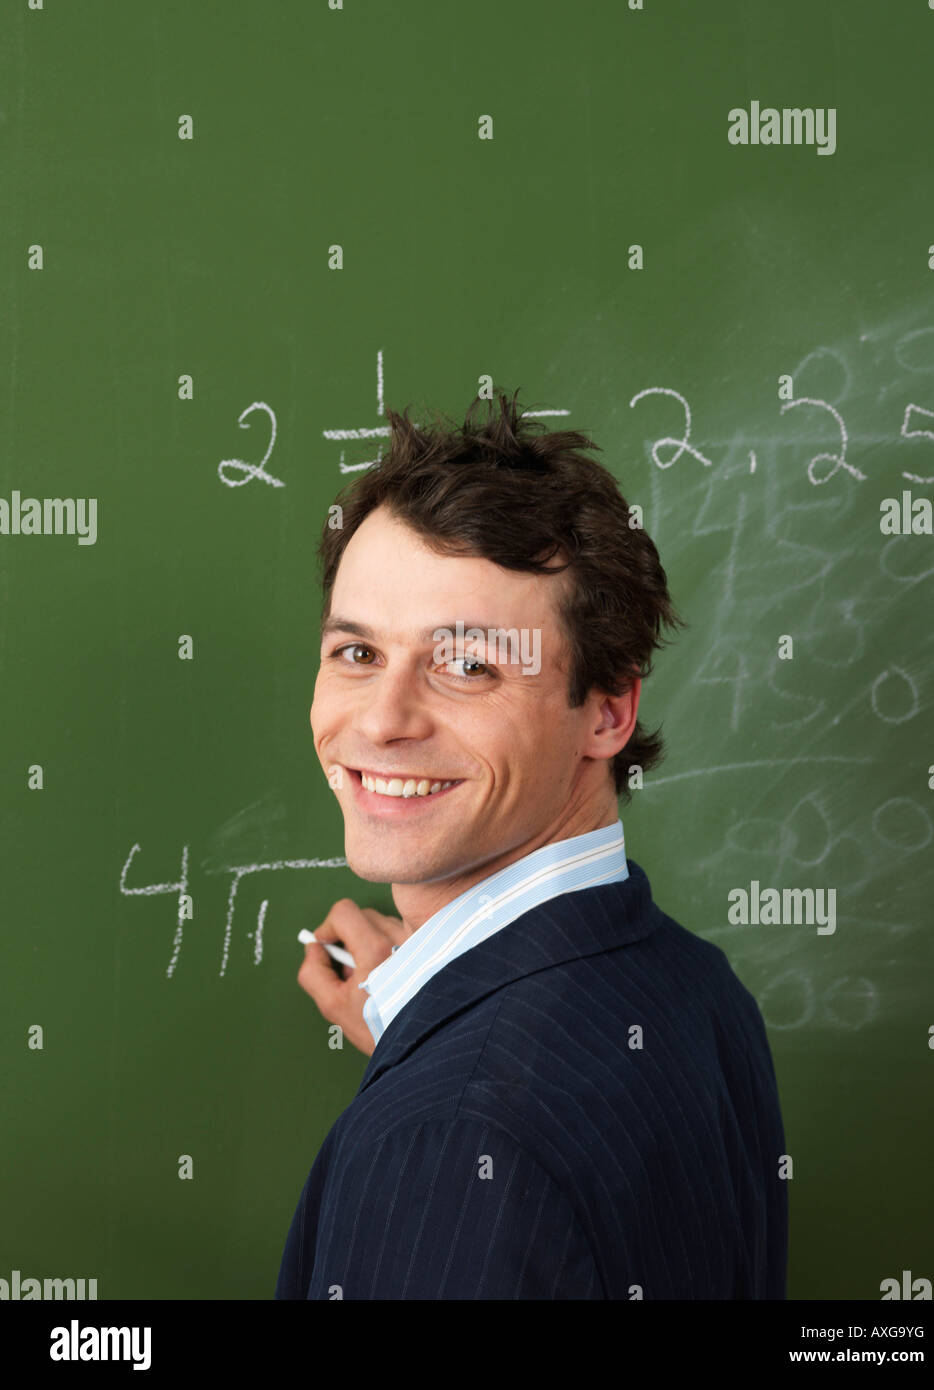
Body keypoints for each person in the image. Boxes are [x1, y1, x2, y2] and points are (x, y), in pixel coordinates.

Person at [275, 389, 788, 1299]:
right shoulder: (696, 989)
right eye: (358, 654)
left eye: (468, 665)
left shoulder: (452, 1143)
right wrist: (426, 1027)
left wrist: (446, 1088)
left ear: (607, 710)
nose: (383, 720)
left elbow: (491, 1156)